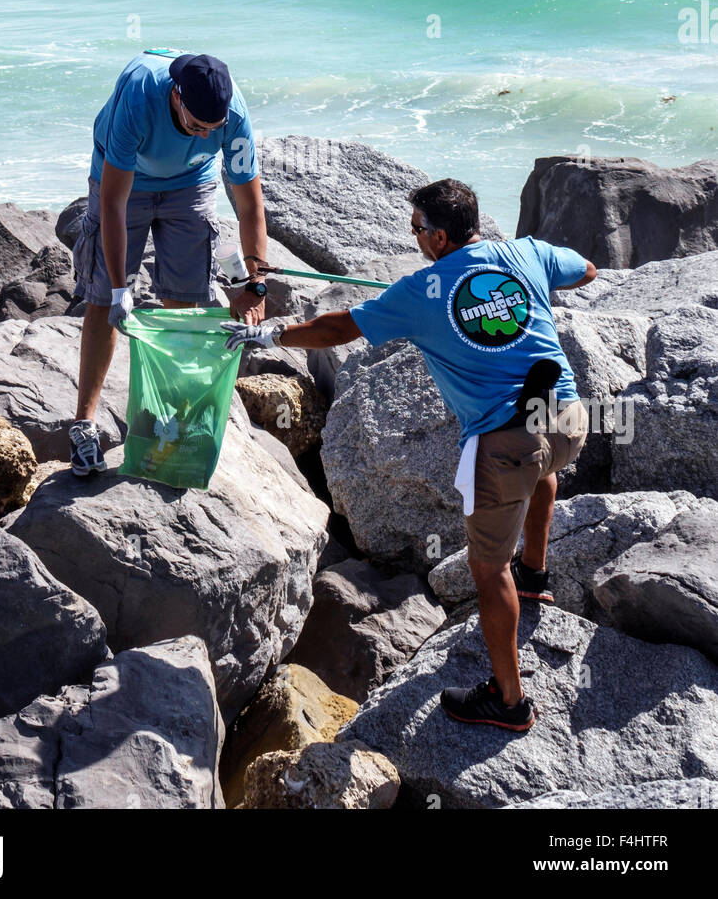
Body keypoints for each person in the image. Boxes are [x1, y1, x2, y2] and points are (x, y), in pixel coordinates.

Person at [221, 178, 597, 732]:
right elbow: (587, 270)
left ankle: (510, 701)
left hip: (506, 444)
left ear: (441, 236)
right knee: (543, 470)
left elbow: (337, 330)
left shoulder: (419, 292)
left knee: (488, 569)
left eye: (417, 228)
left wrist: (272, 337)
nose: (413, 235)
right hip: (567, 421)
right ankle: (536, 572)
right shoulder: (526, 253)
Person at [69, 51, 270, 476]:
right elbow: (113, 202)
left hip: (191, 183)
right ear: (177, 97)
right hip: (126, 180)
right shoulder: (141, 98)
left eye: (210, 131)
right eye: (196, 126)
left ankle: (171, 419)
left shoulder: (232, 118)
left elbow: (250, 207)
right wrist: (123, 289)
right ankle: (83, 424)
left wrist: (255, 283)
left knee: (185, 301)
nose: (203, 136)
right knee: (104, 301)